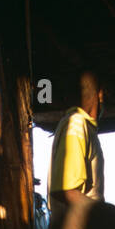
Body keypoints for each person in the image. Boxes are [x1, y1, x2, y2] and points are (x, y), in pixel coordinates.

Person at [48, 71, 105, 212]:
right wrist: (114, 216)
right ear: (101, 94)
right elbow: (66, 191)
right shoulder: (77, 124)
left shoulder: (81, 125)